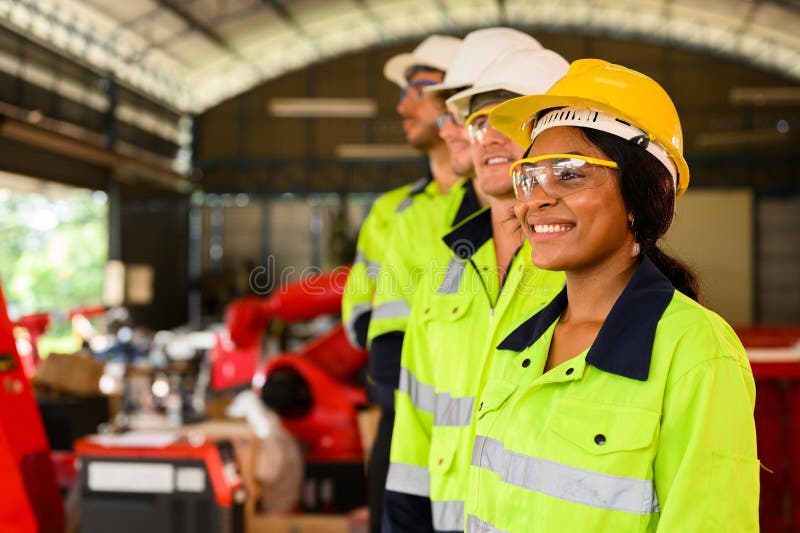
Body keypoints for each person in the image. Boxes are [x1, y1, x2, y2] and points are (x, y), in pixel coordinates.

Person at [466, 59, 759, 532]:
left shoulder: (696, 352)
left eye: (569, 174)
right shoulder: (518, 346)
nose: (535, 199)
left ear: (639, 194)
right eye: (529, 176)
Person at [382, 48, 569, 533]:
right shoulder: (448, 267)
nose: (489, 134)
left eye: (512, 115)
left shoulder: (579, 271)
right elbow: (414, 424)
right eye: (479, 119)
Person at [341, 34, 462, 533]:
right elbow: (361, 308)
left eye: (420, 88)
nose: (403, 103)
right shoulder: (393, 211)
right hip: (401, 407)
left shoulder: (507, 211)